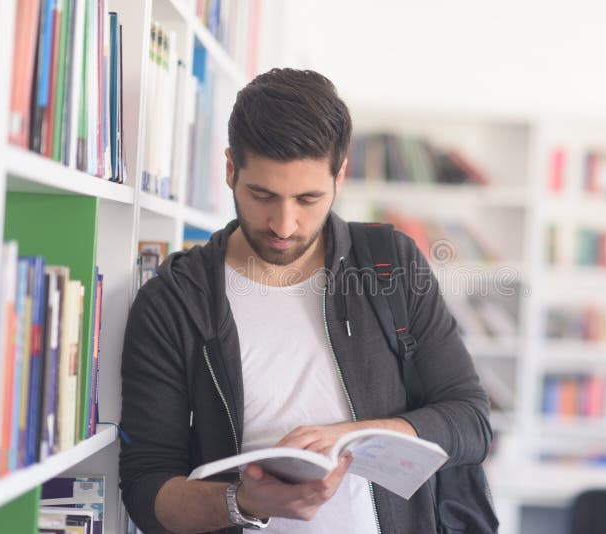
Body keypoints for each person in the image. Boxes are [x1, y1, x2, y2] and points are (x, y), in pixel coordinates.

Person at [119, 68, 492, 534]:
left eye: (309, 198)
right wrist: (241, 502)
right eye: (262, 195)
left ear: (340, 176)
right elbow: (146, 488)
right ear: (230, 168)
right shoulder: (173, 301)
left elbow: (471, 421)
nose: (284, 224)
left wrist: (355, 436)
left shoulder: (390, 264)